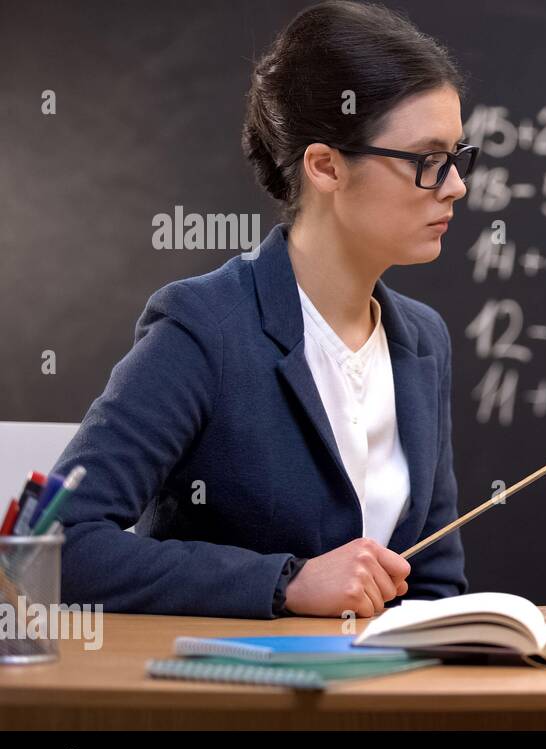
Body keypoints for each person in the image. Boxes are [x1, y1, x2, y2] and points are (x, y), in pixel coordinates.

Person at [53, 1, 478, 618]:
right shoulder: (204, 326)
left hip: (379, 697)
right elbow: (56, 544)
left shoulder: (422, 338)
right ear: (326, 166)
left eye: (458, 157)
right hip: (231, 693)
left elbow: (433, 580)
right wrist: (287, 583)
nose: (456, 186)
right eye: (426, 161)